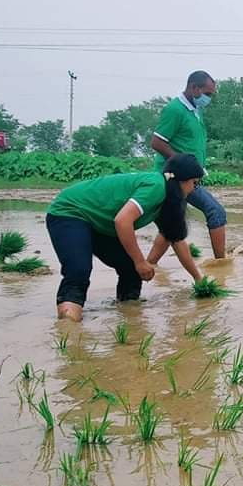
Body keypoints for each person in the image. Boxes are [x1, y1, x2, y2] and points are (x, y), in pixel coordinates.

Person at [45, 154, 205, 322]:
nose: (195, 188)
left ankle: (129, 318)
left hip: (100, 223)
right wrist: (140, 262)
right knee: (78, 271)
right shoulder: (156, 186)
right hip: (70, 212)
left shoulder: (167, 201)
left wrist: (198, 279)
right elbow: (122, 221)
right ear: (181, 180)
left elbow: (177, 240)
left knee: (131, 271)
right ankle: (68, 330)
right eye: (195, 183)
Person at [147, 70, 227, 260]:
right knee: (216, 211)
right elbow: (157, 142)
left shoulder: (195, 111)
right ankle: (221, 263)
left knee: (173, 223)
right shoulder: (175, 110)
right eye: (207, 94)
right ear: (194, 88)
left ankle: (149, 266)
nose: (209, 98)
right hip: (176, 177)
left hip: (188, 177)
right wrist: (184, 166)